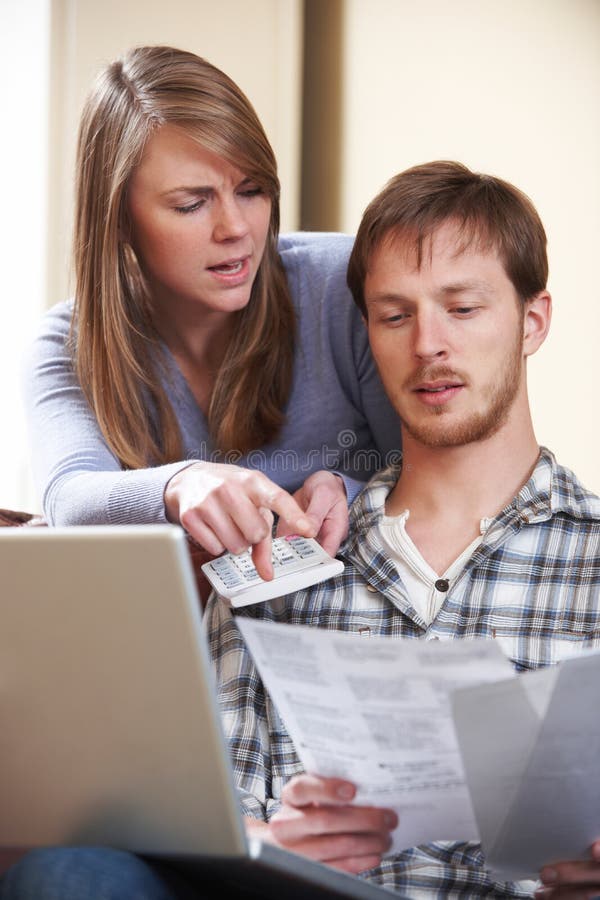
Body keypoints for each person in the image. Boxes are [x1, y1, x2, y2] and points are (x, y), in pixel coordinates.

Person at [204, 161, 600, 899]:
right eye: (395, 316)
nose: (427, 345)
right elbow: (208, 838)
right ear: (369, 334)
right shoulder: (272, 568)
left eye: (463, 308)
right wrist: (274, 840)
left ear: (532, 321)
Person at [22, 44, 400, 585]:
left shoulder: (345, 286)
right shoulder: (67, 343)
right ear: (118, 218)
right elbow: (68, 498)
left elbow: (441, 470)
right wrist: (179, 484)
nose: (236, 229)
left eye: (252, 191)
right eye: (191, 204)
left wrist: (350, 488)